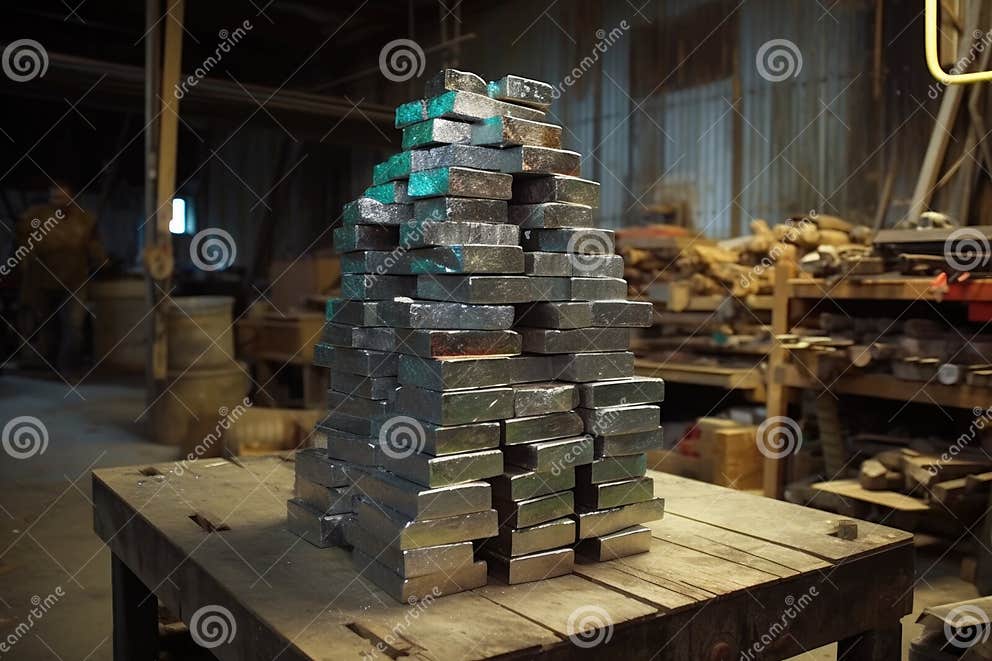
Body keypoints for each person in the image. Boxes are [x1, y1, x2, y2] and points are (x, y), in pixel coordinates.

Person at [16, 180, 105, 372]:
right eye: (55, 197)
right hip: (44, 281)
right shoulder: (36, 217)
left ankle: (68, 370)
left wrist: (101, 261)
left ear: (71, 197)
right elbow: (24, 243)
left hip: (74, 280)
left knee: (74, 327)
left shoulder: (85, 220)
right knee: (49, 328)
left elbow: (94, 246)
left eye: (63, 197)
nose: (59, 201)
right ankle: (51, 367)